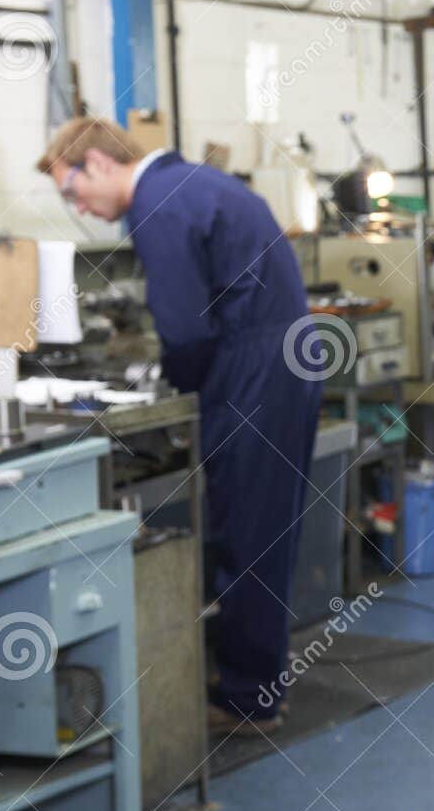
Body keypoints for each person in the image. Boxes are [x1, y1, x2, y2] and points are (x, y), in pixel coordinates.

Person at [38, 118, 322, 738]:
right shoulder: (196, 184)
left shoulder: (156, 206)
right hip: (282, 356)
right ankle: (254, 679)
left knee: (247, 530)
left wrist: (174, 382)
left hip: (254, 366)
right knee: (261, 527)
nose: (79, 207)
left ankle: (250, 699)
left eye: (73, 190)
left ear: (100, 163)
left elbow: (186, 330)